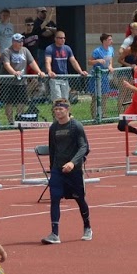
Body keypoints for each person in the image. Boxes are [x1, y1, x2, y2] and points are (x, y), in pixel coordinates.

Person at [40, 99, 92, 244]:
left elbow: (84, 148)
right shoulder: (53, 128)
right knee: (55, 198)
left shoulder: (76, 126)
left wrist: (72, 162)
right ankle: (54, 234)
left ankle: (87, 227)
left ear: (67, 110)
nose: (58, 112)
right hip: (57, 169)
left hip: (73, 171)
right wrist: (52, 168)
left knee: (79, 198)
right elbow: (52, 149)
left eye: (60, 109)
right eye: (55, 109)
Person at [43, 29, 87, 104]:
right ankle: (56, 115)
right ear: (55, 39)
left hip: (64, 78)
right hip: (54, 78)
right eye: (60, 38)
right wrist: (49, 71)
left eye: (64, 38)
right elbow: (48, 61)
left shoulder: (67, 48)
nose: (63, 40)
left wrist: (80, 71)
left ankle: (65, 115)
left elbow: (73, 61)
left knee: (65, 100)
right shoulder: (50, 48)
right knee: (57, 99)